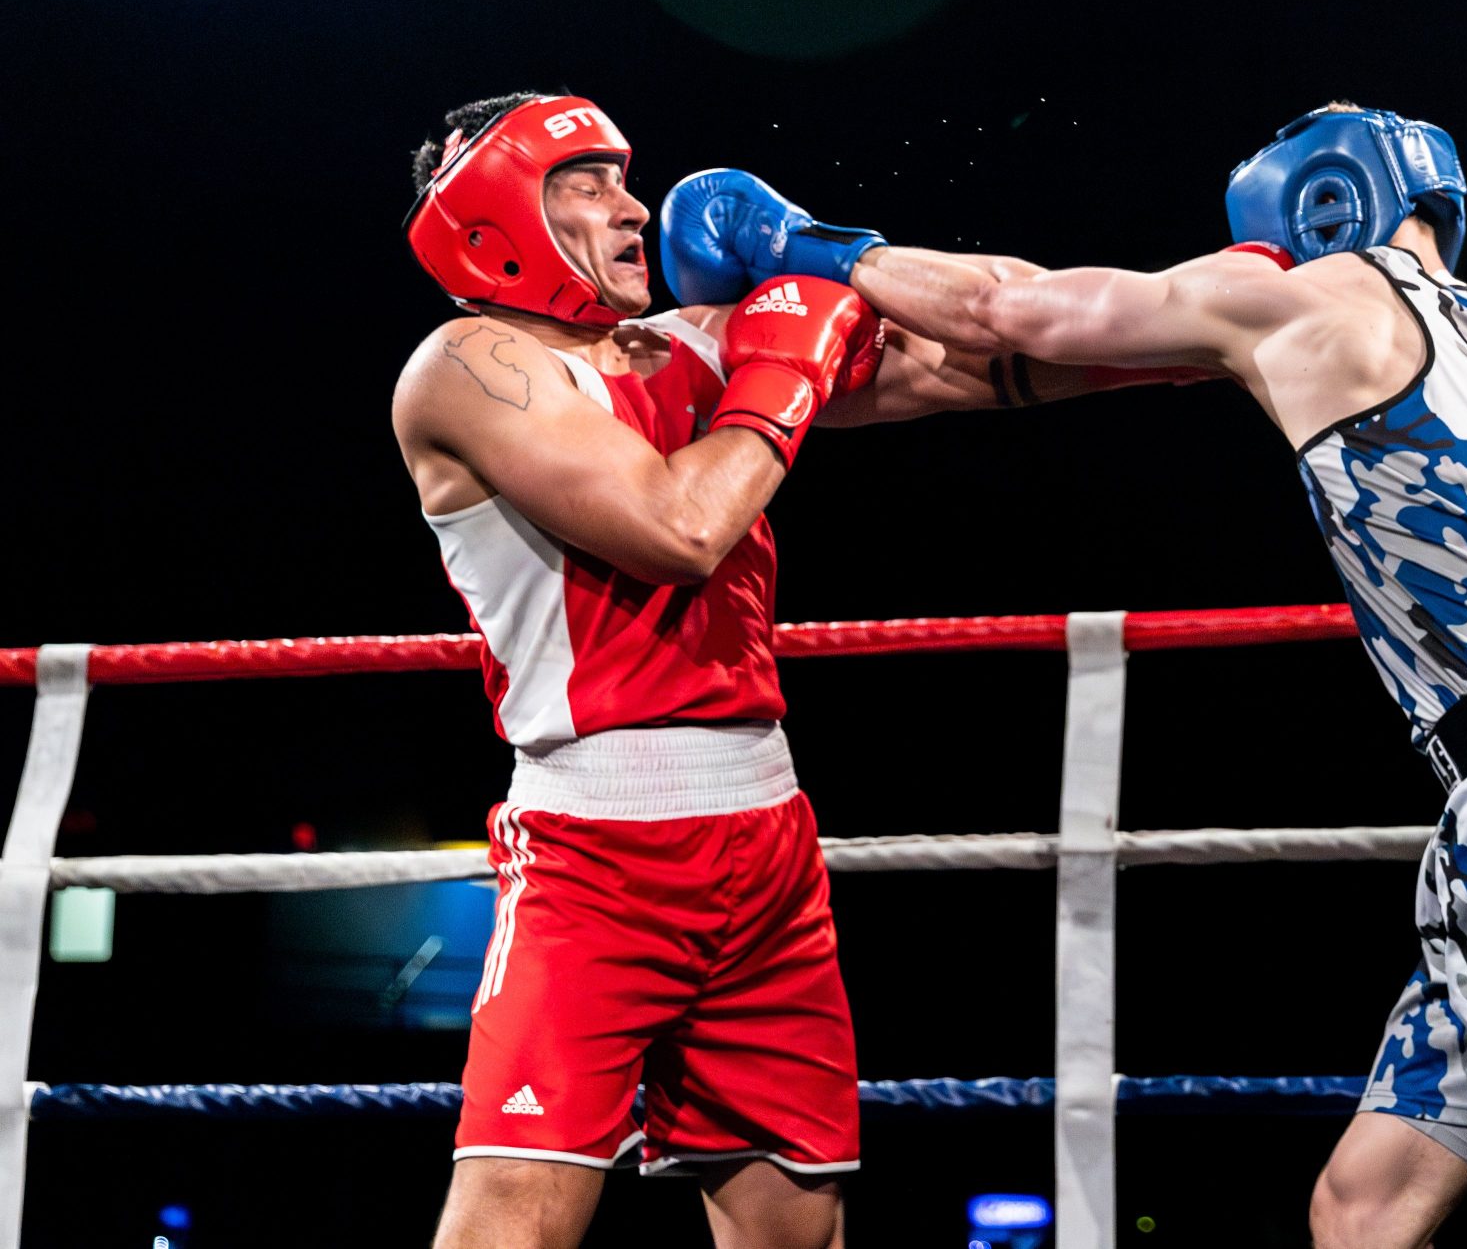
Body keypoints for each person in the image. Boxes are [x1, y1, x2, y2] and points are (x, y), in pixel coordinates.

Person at [662, 106, 1467, 1247]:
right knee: (1359, 1210)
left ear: (1322, 206)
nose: (1253, 261)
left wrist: (807, 244)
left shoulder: (1313, 297)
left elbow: (1008, 309)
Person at [393, 91, 1194, 1249]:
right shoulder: (467, 367)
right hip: (593, 858)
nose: (633, 209)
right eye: (588, 183)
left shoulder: (683, 348)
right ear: (496, 213)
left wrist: (1204, 335)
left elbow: (1000, 341)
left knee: (794, 1222)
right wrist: (782, 368)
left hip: (765, 840)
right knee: (513, 1218)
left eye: (627, 178)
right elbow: (675, 529)